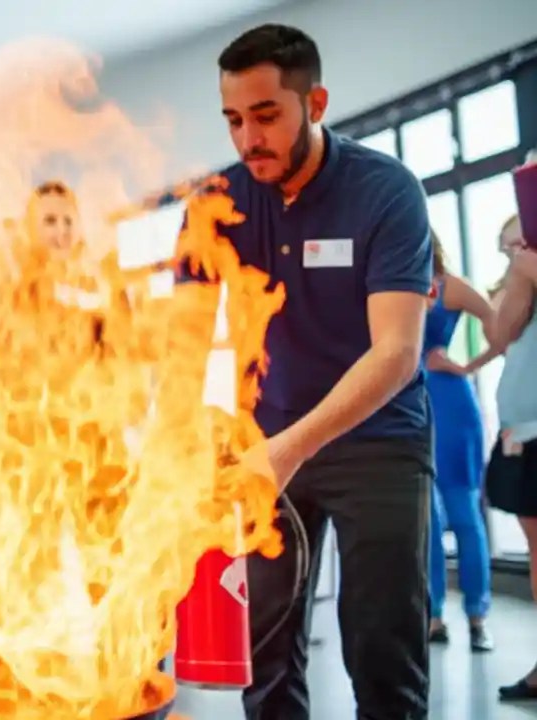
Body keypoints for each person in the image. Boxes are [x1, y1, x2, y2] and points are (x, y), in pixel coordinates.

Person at [181, 24, 436, 719]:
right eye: (234, 120)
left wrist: (290, 448)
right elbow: (178, 346)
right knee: (264, 655)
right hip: (265, 443)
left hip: (378, 442)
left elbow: (396, 353)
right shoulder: (215, 204)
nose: (247, 138)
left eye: (266, 116)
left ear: (314, 102)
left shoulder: (386, 192)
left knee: (383, 649)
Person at [421, 233, 502, 651]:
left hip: (451, 406)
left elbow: (501, 325)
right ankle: (433, 615)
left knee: (465, 516)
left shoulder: (450, 286)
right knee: (426, 522)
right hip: (409, 409)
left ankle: (477, 616)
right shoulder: (393, 282)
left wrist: (467, 366)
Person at [485, 213, 537, 700]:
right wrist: (521, 269)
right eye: (506, 248)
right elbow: (501, 337)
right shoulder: (521, 275)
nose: (512, 253)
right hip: (522, 427)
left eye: (517, 244)